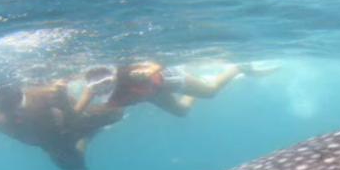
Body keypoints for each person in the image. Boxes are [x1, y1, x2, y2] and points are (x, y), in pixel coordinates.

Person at [0, 81, 123, 170]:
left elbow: (73, 115)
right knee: (75, 169)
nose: (12, 108)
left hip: (76, 123)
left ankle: (89, 131)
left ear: (18, 94)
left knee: (117, 113)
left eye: (11, 101)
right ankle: (86, 138)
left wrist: (81, 97)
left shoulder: (44, 95)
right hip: (54, 143)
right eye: (4, 105)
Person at [76, 61, 243, 117]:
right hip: (152, 95)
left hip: (167, 80)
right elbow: (78, 111)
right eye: (98, 88)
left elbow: (158, 64)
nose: (103, 89)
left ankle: (237, 67)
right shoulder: (92, 90)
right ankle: (197, 85)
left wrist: (150, 71)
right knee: (182, 112)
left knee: (211, 92)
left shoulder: (129, 74)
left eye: (107, 84)